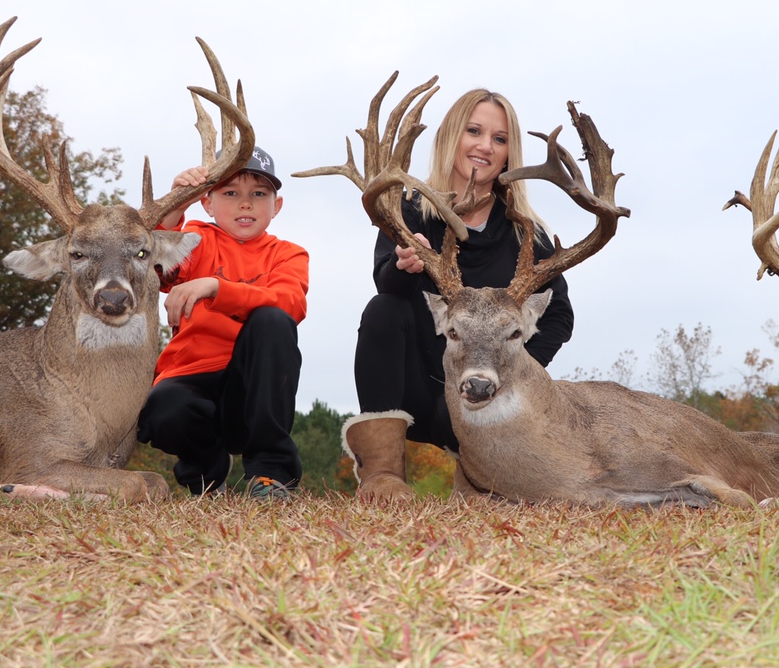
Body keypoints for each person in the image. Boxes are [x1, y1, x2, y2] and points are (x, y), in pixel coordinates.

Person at [342, 88, 575, 500]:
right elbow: (387, 286)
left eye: (499, 139)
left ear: (509, 155)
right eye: (474, 131)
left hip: (489, 397)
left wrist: (516, 367)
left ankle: (481, 476)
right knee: (381, 311)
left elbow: (558, 316)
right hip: (419, 390)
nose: (485, 146)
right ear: (451, 136)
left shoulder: (526, 234)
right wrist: (403, 264)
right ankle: (382, 475)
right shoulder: (408, 211)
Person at [136, 147, 309, 499]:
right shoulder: (195, 239)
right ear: (207, 203)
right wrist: (174, 207)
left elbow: (290, 302)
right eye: (230, 193)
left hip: (251, 390)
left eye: (258, 194)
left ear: (276, 206)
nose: (245, 204)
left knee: (273, 320)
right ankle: (207, 475)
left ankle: (270, 474)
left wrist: (215, 287)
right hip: (193, 377)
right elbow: (149, 267)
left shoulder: (287, 254)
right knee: (164, 409)